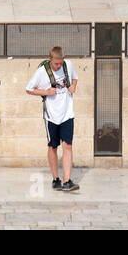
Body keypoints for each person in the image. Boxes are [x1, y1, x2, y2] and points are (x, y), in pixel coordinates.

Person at [25, 46, 79, 192]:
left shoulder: (68, 65)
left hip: (67, 113)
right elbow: (29, 89)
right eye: (56, 63)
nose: (59, 66)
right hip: (51, 115)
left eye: (60, 63)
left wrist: (73, 86)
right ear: (50, 60)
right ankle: (56, 178)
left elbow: (75, 78)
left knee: (67, 145)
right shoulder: (42, 72)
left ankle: (67, 180)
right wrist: (46, 92)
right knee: (53, 146)